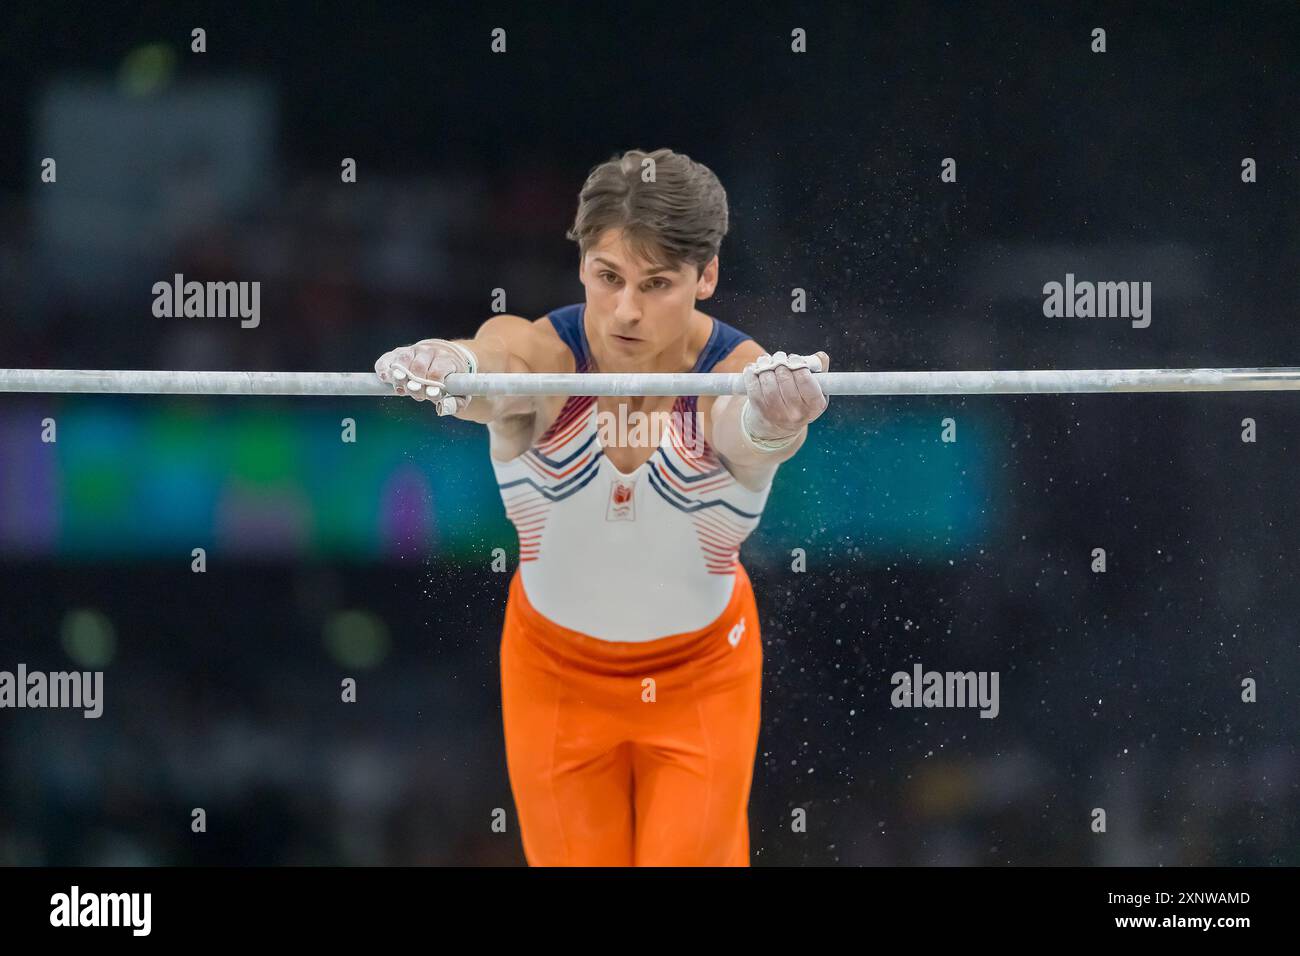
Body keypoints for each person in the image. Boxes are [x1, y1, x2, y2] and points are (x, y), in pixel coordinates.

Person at [374, 148, 830, 866]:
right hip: (551, 678)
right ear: (582, 261)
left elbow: (747, 434)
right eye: (608, 277)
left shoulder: (736, 378)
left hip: (701, 679)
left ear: (706, 275)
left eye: (656, 284)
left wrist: (777, 419)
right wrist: (455, 368)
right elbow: (501, 367)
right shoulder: (543, 360)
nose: (625, 310)